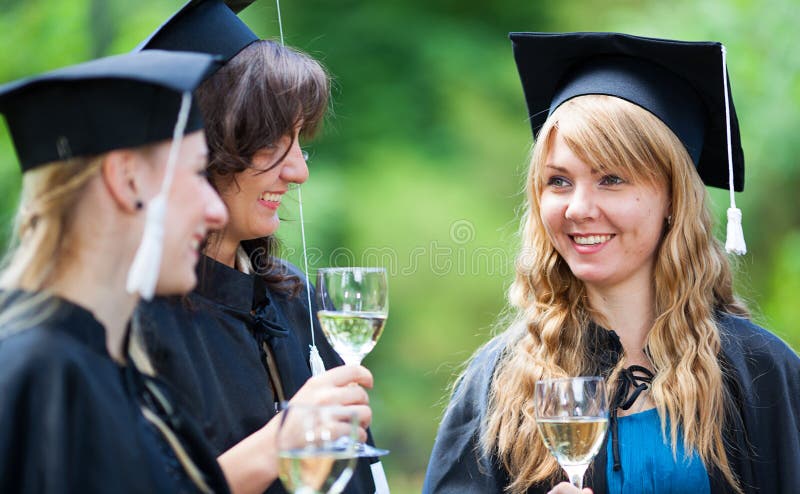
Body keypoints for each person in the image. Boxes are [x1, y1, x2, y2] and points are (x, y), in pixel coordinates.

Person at [423, 32, 800, 494]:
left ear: (672, 198)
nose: (579, 208)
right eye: (558, 181)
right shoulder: (500, 380)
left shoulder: (760, 373)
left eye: (612, 179)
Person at [130, 2, 386, 493]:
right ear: (205, 148)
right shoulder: (129, 323)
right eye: (272, 144)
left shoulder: (296, 301)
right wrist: (278, 444)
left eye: (298, 142)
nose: (299, 172)